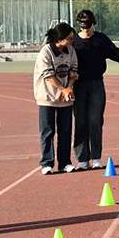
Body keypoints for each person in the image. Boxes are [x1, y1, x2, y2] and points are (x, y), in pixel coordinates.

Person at [73, 9, 119, 170]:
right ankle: (82, 158)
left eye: (88, 26)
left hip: (96, 84)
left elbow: (117, 54)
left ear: (93, 24)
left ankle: (96, 157)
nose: (86, 29)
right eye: (83, 26)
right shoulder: (73, 41)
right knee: (81, 121)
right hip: (78, 85)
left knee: (95, 121)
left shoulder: (101, 39)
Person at [33, 22, 78, 175]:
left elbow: (73, 71)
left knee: (65, 131)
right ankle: (47, 162)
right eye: (70, 38)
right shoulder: (46, 52)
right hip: (47, 97)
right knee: (48, 131)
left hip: (65, 99)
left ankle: (65, 162)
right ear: (60, 38)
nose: (72, 41)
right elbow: (49, 76)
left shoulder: (71, 51)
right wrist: (62, 89)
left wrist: (69, 87)